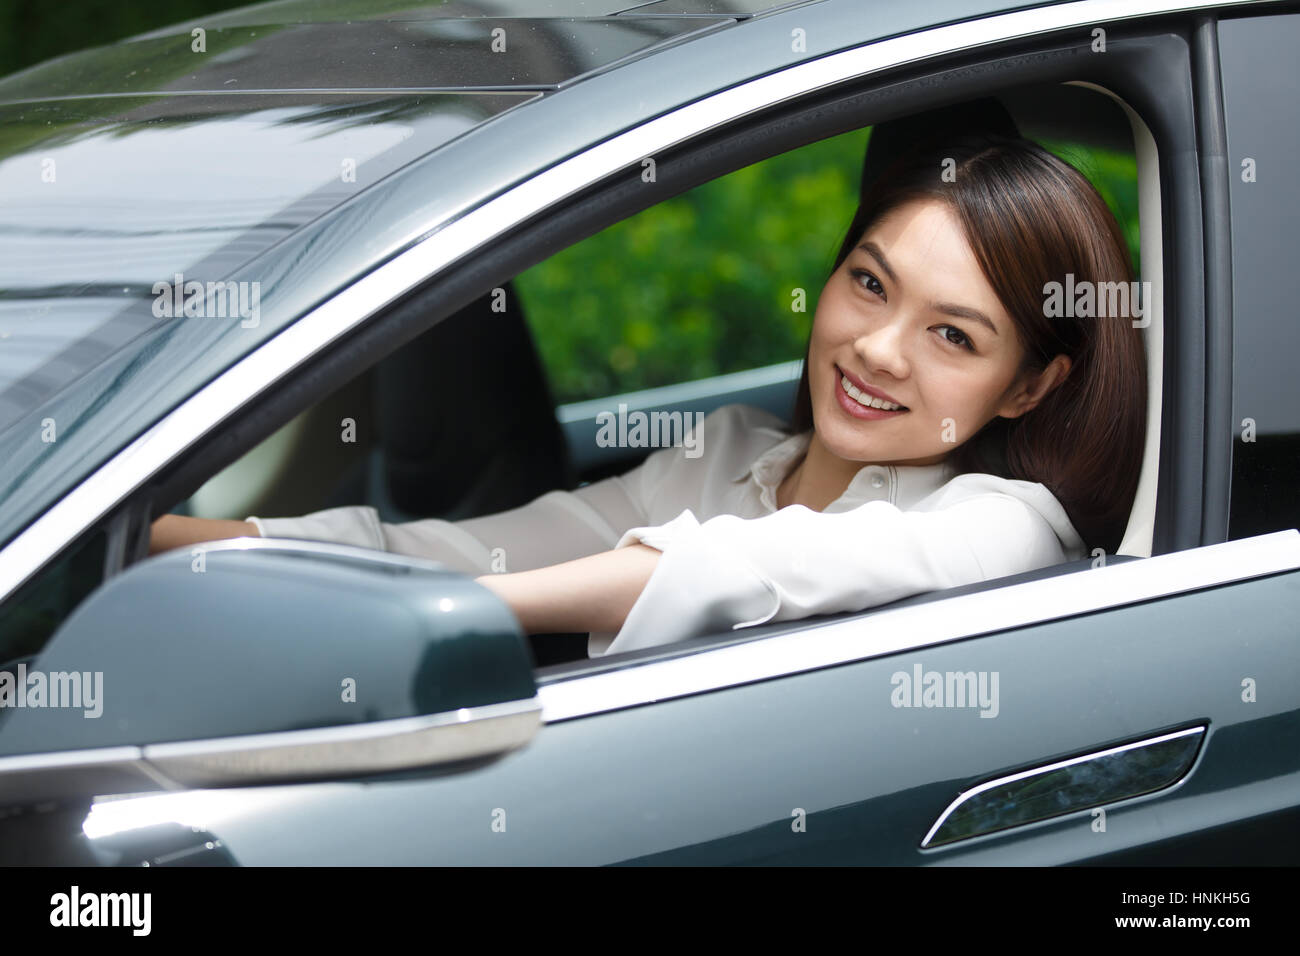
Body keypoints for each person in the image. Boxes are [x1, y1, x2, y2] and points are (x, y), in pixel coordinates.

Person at [151, 132, 1147, 658]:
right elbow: (441, 549)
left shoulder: (1010, 525)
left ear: (1028, 385)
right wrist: (149, 544)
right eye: (869, 282)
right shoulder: (722, 453)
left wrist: (445, 614)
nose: (877, 348)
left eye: (950, 334)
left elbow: (732, 569)